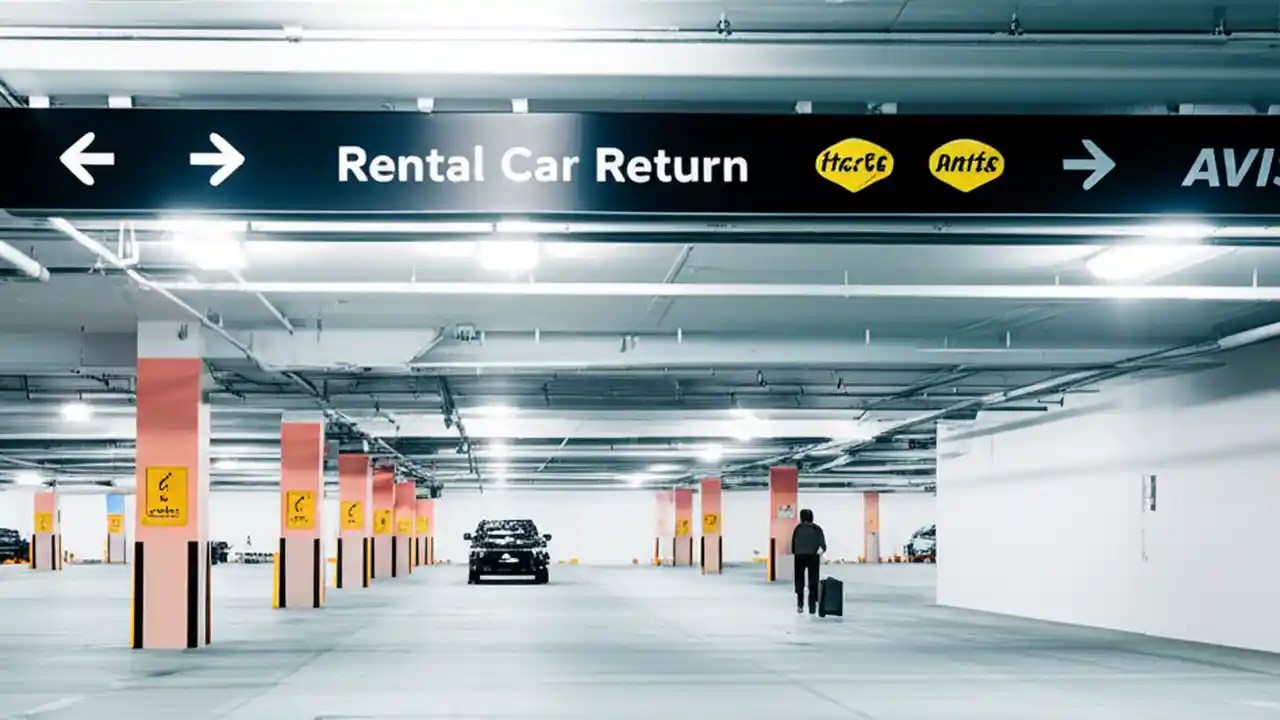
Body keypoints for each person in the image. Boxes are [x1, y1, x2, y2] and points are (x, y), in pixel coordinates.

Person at [790, 508, 827, 614]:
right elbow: (823, 546)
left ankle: (800, 604)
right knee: (813, 581)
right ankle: (812, 607)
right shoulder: (817, 529)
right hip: (813, 557)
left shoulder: (798, 529)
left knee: (799, 581)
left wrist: (796, 552)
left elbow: (793, 546)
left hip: (799, 556)